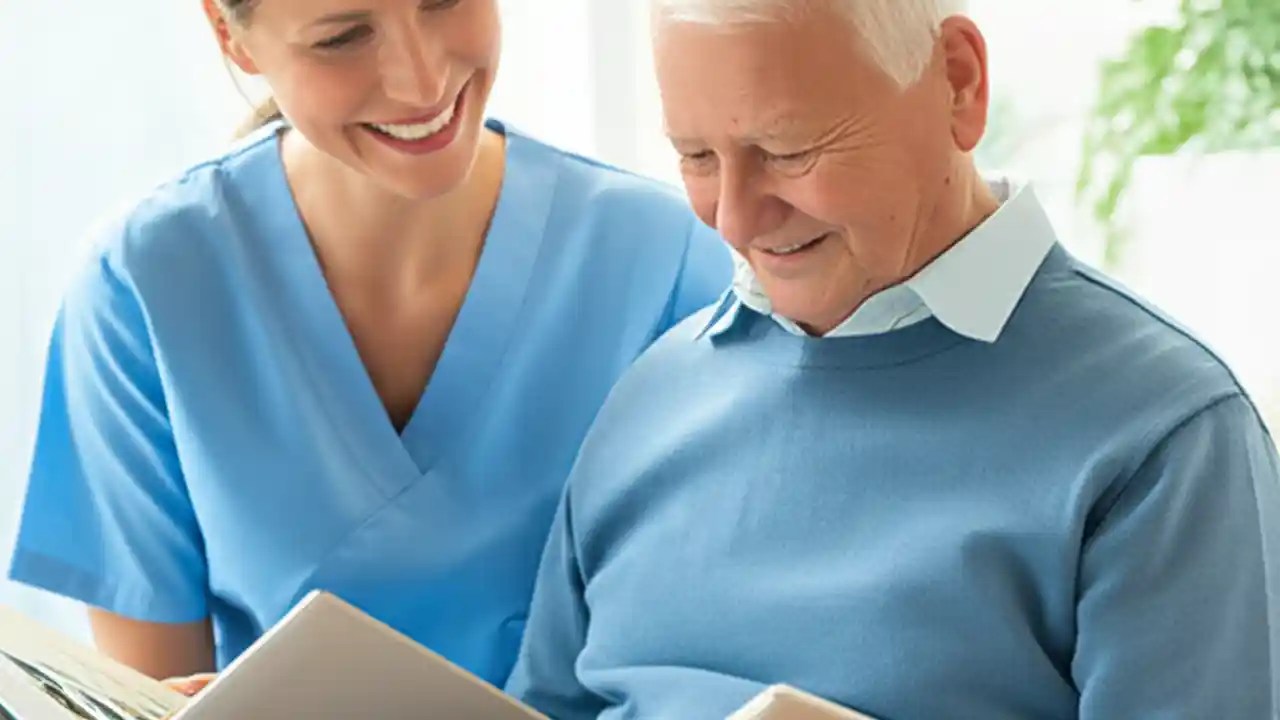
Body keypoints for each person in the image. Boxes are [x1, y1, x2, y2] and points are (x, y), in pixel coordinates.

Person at [506, 0, 1280, 718]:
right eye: (697, 156)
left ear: (957, 82)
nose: (734, 218)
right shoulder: (654, 393)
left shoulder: (1162, 437)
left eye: (787, 149)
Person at [7, 0, 730, 689]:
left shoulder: (668, 262)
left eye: (444, 0)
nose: (422, 81)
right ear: (232, 37)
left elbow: (701, 660)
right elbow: (152, 694)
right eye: (342, 37)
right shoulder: (144, 286)